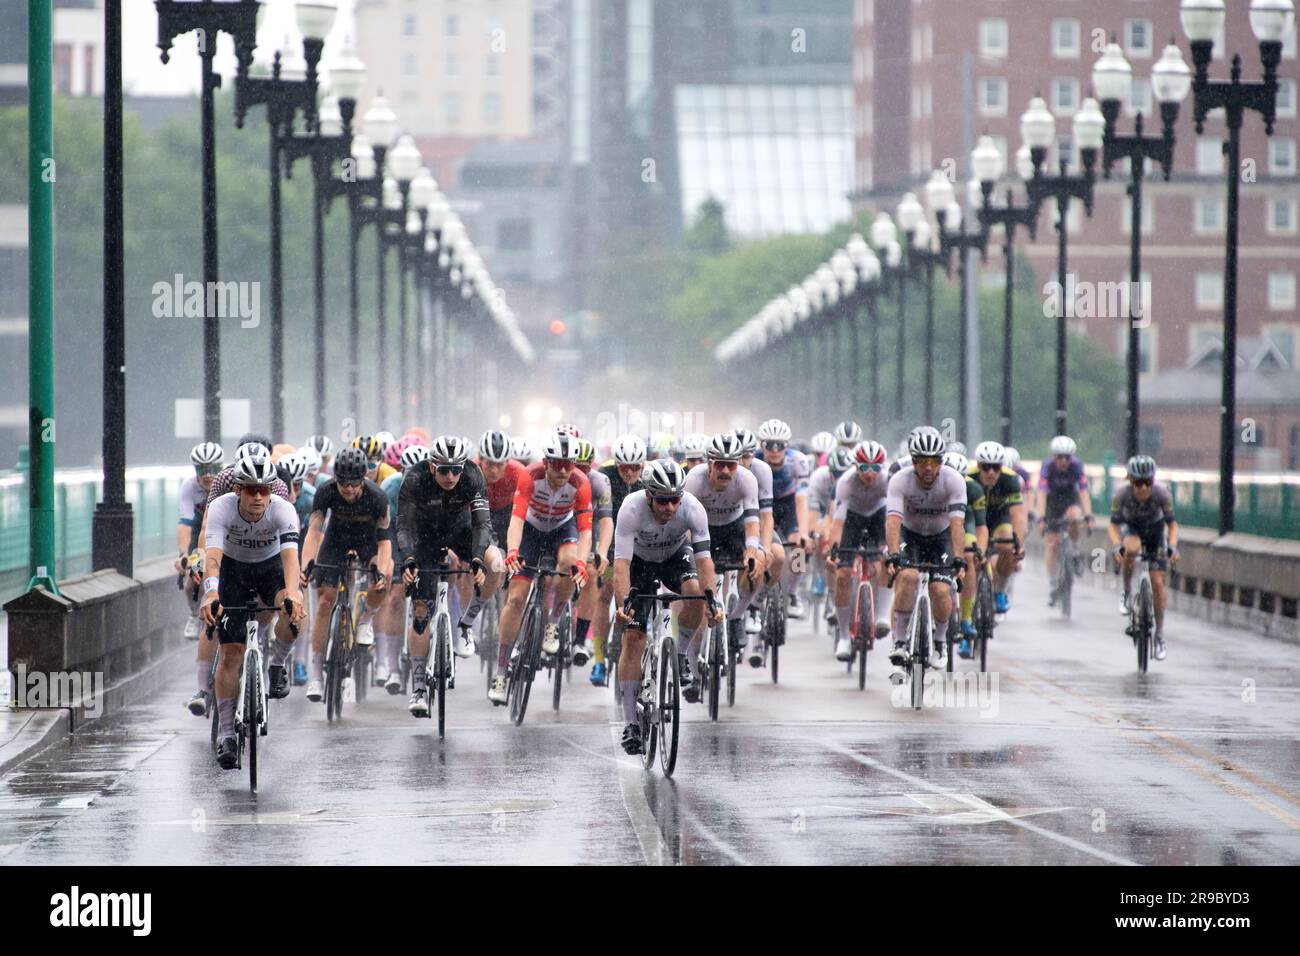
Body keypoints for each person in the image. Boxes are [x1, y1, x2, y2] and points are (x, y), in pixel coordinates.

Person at [198, 452, 305, 769]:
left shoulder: (283, 510)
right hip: (233, 570)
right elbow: (213, 556)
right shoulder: (221, 508)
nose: (258, 496)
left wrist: (293, 595)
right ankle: (227, 735)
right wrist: (211, 594)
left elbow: (290, 561)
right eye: (251, 490)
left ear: (271, 490)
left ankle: (277, 664)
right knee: (231, 652)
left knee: (292, 612)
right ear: (238, 490)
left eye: (264, 490)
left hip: (270, 568)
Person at [612, 459, 719, 753]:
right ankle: (631, 724)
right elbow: (620, 564)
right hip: (639, 564)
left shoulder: (693, 509)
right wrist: (623, 603)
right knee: (633, 639)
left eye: (674, 500)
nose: (670, 507)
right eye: (662, 501)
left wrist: (713, 600)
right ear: (648, 495)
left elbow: (705, 559)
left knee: (695, 592)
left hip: (675, 556)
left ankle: (681, 654)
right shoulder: (631, 509)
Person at [396, 436, 500, 716]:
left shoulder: (473, 475)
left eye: (456, 469)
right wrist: (407, 559)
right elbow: (404, 525)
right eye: (444, 470)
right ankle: (418, 686)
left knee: (497, 564)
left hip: (460, 532)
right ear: (432, 468)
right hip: (424, 538)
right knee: (421, 610)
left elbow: (482, 523)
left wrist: (477, 557)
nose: (451, 476)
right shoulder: (415, 478)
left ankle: (465, 625)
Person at [299, 447, 394, 704]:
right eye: (343, 484)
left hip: (368, 540)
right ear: (336, 479)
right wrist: (308, 561)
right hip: (336, 540)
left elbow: (385, 543)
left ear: (364, 478)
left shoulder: (377, 496)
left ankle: (365, 619)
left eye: (354, 484)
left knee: (383, 579)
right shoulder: (326, 491)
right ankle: (317, 675)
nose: (349, 490)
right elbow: (316, 530)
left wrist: (382, 573)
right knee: (324, 601)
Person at [883, 427, 967, 681]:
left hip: (941, 536)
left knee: (941, 590)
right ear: (913, 461)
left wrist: (959, 559)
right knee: (907, 578)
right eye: (922, 462)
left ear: (941, 462)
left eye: (934, 462)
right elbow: (893, 521)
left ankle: (940, 641)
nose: (928, 468)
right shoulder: (900, 480)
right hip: (910, 533)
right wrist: (893, 555)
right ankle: (899, 642)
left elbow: (957, 524)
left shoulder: (954, 481)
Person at [1109, 455, 1179, 661]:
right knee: (1131, 548)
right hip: (1131, 529)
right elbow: (1113, 525)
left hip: (1155, 532)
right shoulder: (1121, 495)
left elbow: (1172, 524)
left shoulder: (1162, 494)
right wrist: (1116, 546)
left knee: (1157, 582)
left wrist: (1173, 546)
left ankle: (1159, 636)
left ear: (1153, 481)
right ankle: (1127, 591)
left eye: (1147, 482)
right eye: (1138, 482)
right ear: (1130, 481)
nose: (1142, 488)